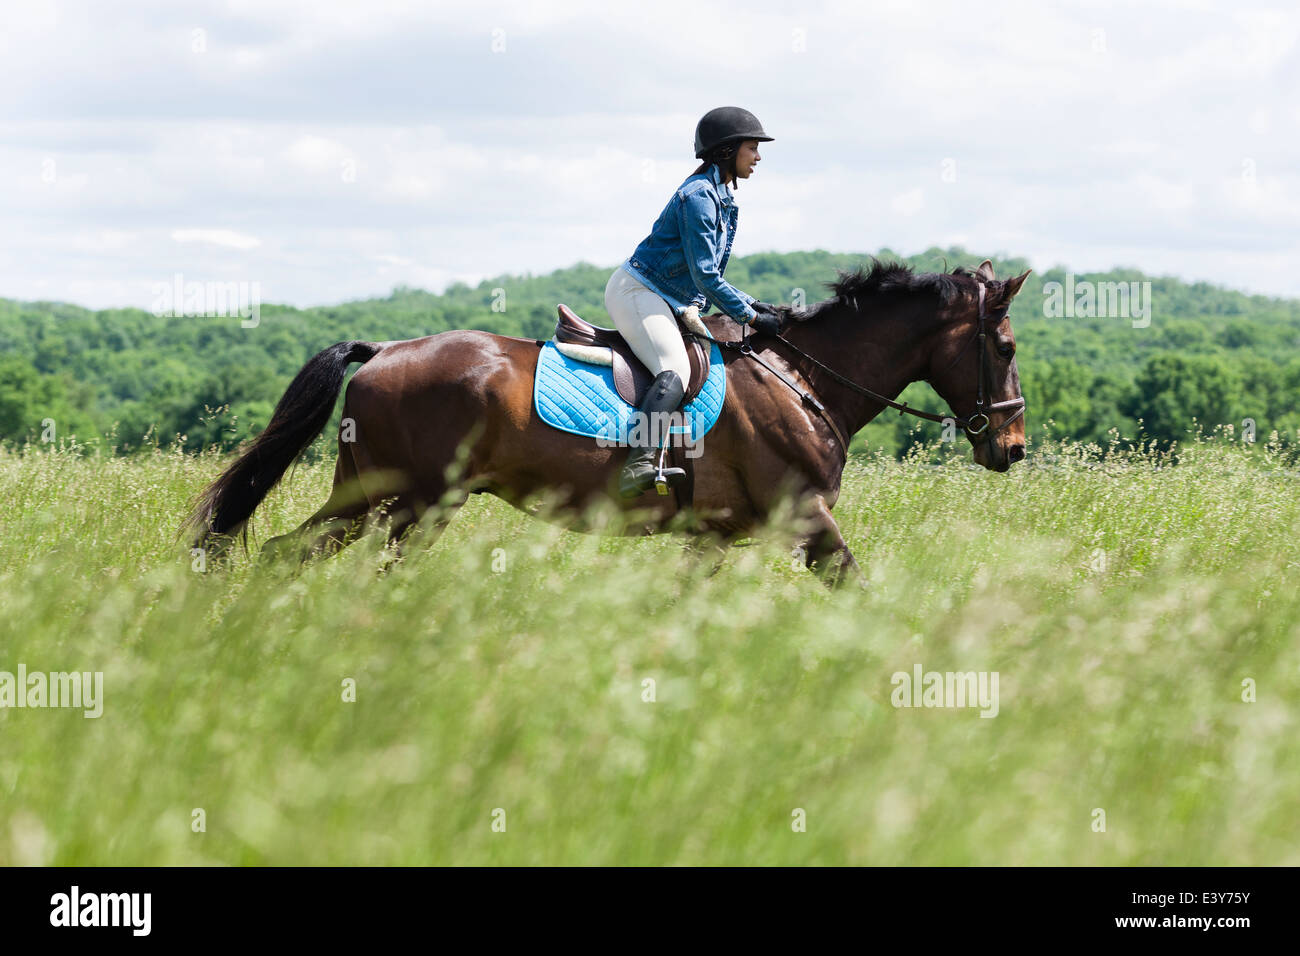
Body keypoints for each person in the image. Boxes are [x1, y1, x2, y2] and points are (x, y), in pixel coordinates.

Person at [607, 106, 784, 498]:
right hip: (640, 292)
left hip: (672, 297)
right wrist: (750, 315)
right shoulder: (699, 197)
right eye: (752, 148)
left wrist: (757, 305)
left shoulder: (719, 195)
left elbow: (709, 278)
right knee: (674, 368)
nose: (758, 157)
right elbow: (706, 274)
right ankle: (640, 461)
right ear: (727, 152)